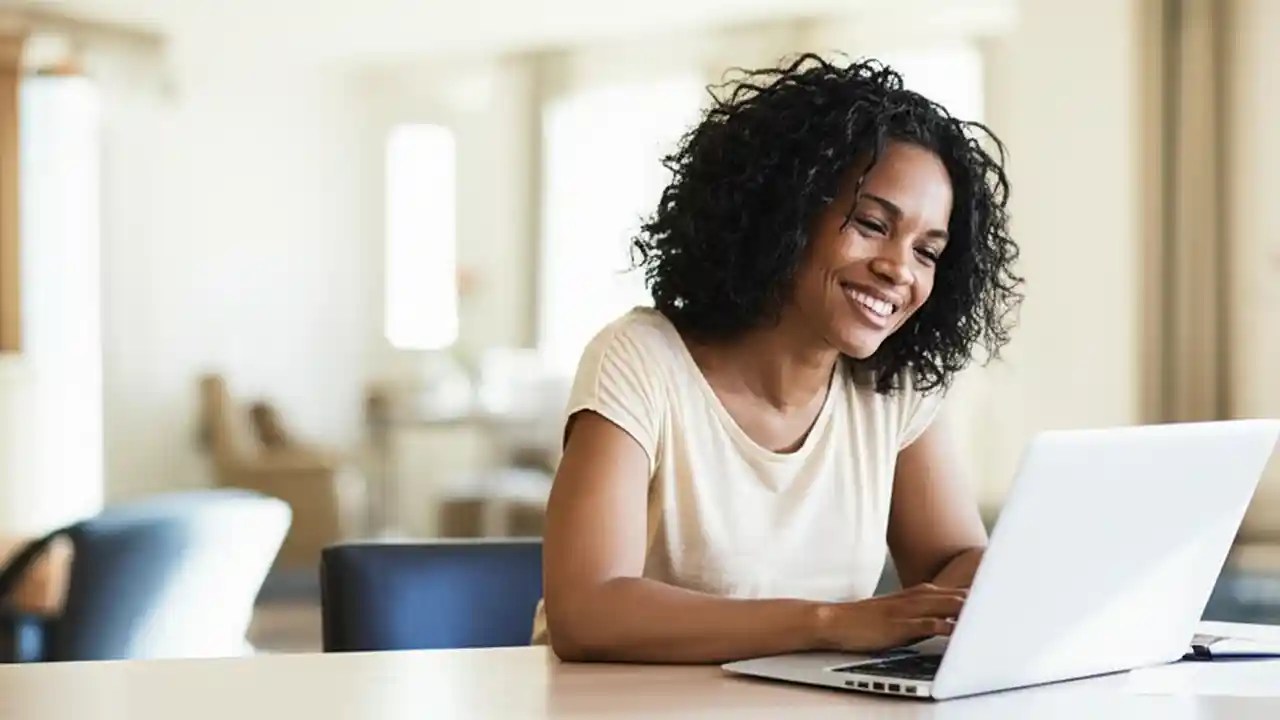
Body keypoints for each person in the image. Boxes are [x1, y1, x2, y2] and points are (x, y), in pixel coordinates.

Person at [536, 54, 1024, 664]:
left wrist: (1023, 566)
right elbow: (587, 611)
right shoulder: (641, 361)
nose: (899, 269)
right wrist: (831, 623)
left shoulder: (891, 387)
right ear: (786, 212)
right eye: (872, 224)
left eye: (927, 252)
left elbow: (949, 564)